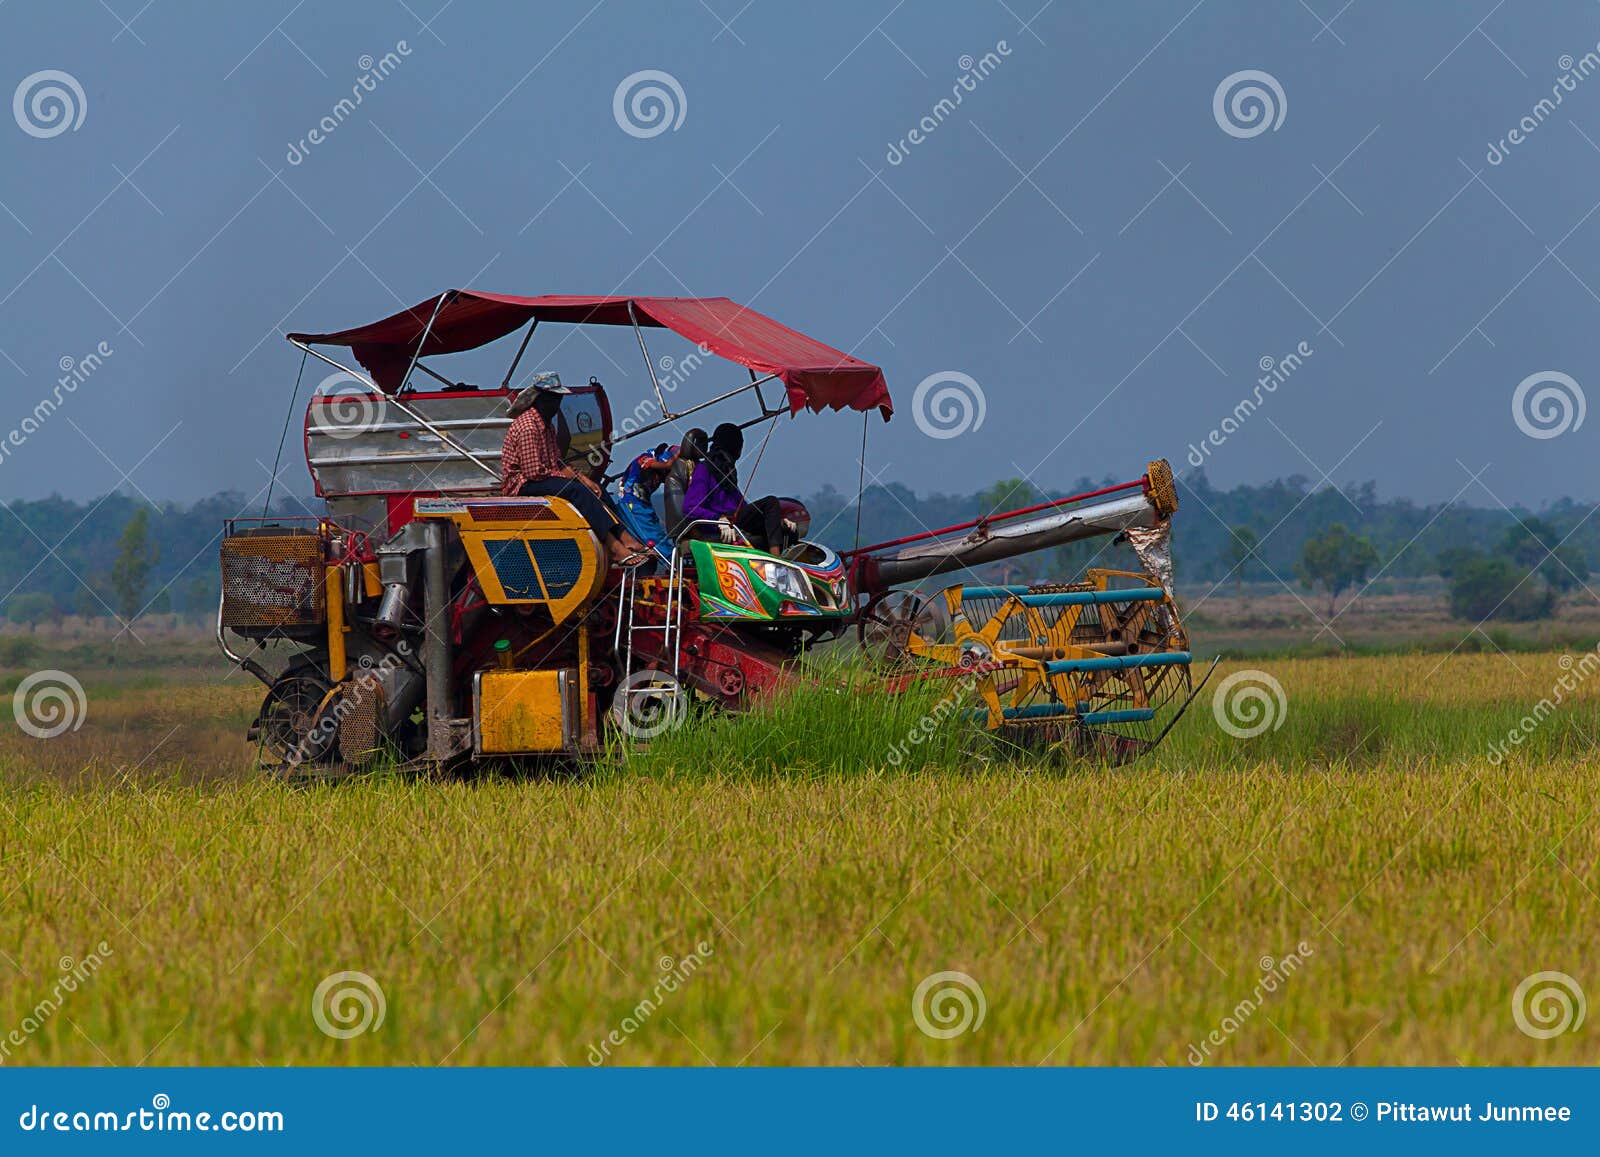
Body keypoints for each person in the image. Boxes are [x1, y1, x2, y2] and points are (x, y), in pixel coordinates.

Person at [500, 374, 646, 566]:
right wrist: (571, 479)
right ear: (541, 400)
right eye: (554, 399)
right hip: (523, 485)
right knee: (576, 491)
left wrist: (583, 478)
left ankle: (625, 537)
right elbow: (533, 472)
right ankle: (614, 548)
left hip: (542, 477)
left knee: (597, 490)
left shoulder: (546, 425)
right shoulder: (529, 427)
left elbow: (556, 461)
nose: (557, 404)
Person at [681, 423, 797, 553]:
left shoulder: (727, 470)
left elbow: (742, 505)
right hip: (718, 524)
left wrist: (775, 520)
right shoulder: (704, 469)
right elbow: (690, 508)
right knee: (771, 502)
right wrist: (718, 519)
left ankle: (783, 555)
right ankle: (776, 559)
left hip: (734, 519)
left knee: (788, 532)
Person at [612, 441, 681, 561]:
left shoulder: (661, 473)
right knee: (655, 541)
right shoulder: (645, 459)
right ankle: (674, 566)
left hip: (645, 506)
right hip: (632, 505)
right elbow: (663, 465)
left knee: (658, 536)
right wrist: (679, 454)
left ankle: (668, 564)